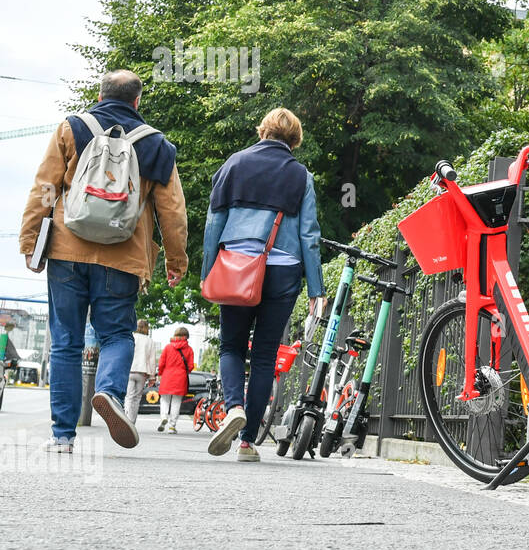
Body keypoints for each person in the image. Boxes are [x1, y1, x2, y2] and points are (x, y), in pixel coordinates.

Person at [18, 70, 187, 453]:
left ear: (100, 94)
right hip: (123, 255)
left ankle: (62, 436)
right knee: (115, 334)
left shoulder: (72, 127)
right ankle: (109, 392)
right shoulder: (157, 144)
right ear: (137, 101)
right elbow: (172, 210)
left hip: (67, 250)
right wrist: (175, 259)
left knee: (65, 342)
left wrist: (31, 240)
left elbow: (45, 187)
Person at [202, 108, 324, 462]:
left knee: (231, 347)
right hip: (283, 269)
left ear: (263, 131)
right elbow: (309, 236)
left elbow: (214, 222)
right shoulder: (301, 176)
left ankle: (234, 406)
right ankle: (246, 442)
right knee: (265, 355)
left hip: (237, 265)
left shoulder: (234, 164)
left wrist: (208, 271)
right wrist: (316, 289)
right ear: (294, 139)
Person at [156, 326, 193, 430]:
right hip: (181, 378)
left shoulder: (168, 347)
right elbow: (190, 366)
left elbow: (161, 363)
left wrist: (160, 373)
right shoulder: (189, 350)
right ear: (186, 337)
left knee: (164, 400)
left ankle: (163, 417)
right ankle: (172, 426)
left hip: (167, 376)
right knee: (176, 402)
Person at [125, 318, 160, 428]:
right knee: (137, 398)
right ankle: (132, 422)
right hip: (142, 372)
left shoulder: (131, 337)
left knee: (129, 396)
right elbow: (152, 359)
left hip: (129, 369)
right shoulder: (149, 340)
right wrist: (152, 376)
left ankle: (126, 419)